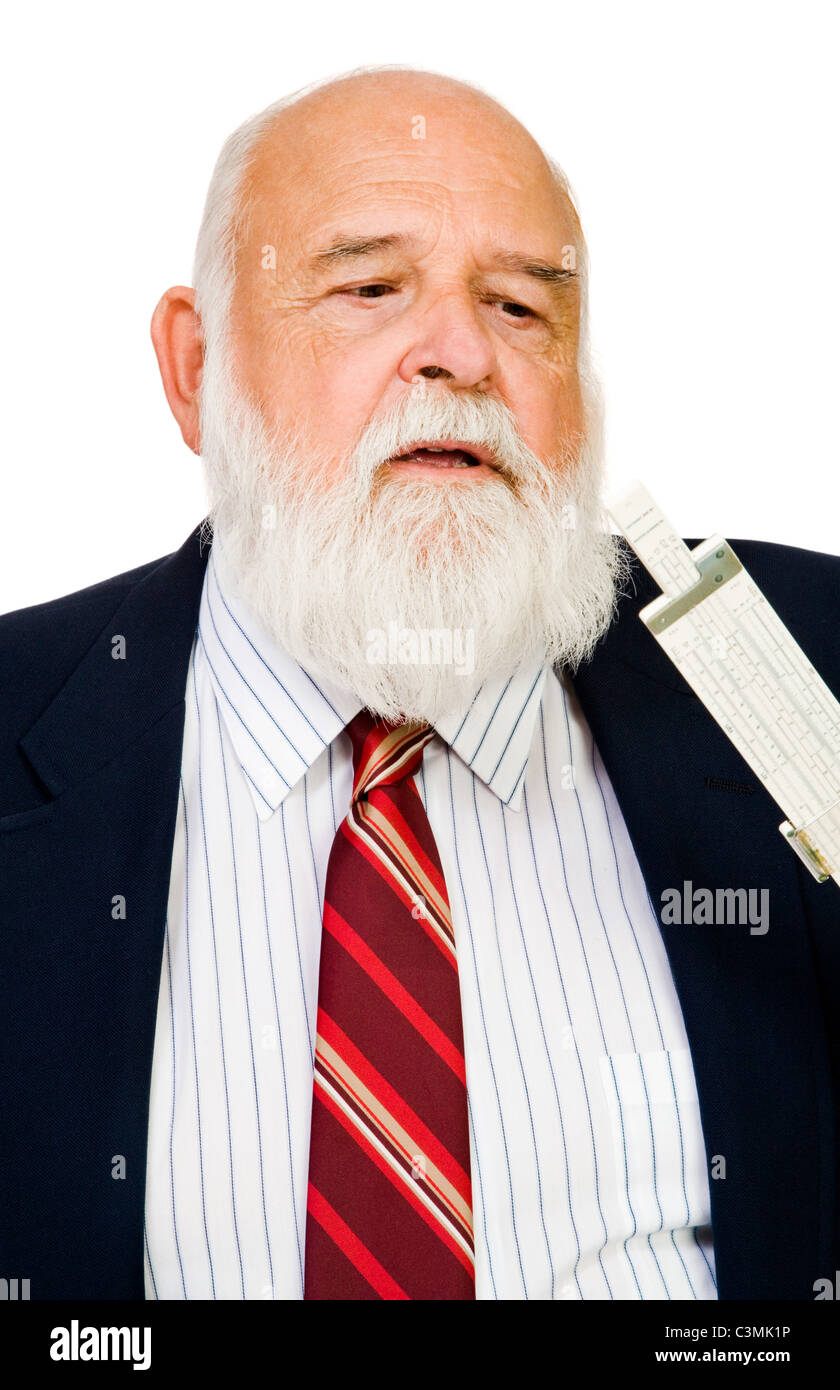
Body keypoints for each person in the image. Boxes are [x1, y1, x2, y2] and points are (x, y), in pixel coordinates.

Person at [1, 64, 837, 1302]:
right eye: (370, 288)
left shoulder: (799, 665)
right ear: (195, 366)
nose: (457, 354)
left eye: (518, 308)